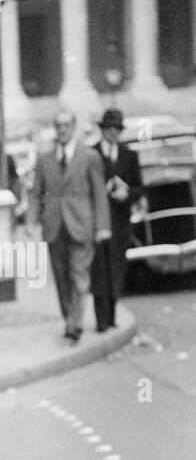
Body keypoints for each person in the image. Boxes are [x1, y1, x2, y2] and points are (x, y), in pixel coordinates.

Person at [28, 111, 112, 343]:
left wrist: (102, 226)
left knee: (79, 274)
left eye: (66, 125)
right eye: (58, 125)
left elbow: (99, 194)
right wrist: (31, 220)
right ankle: (69, 318)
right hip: (54, 226)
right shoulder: (44, 158)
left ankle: (74, 323)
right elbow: (35, 194)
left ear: (74, 127)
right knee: (61, 277)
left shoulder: (90, 156)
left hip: (81, 224)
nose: (62, 129)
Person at [92, 108, 144, 331]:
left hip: (121, 220)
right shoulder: (91, 154)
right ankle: (101, 319)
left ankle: (112, 315)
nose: (113, 133)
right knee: (99, 268)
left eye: (117, 129)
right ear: (102, 129)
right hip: (98, 220)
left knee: (116, 268)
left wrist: (127, 194)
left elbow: (140, 187)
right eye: (109, 128)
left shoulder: (129, 155)